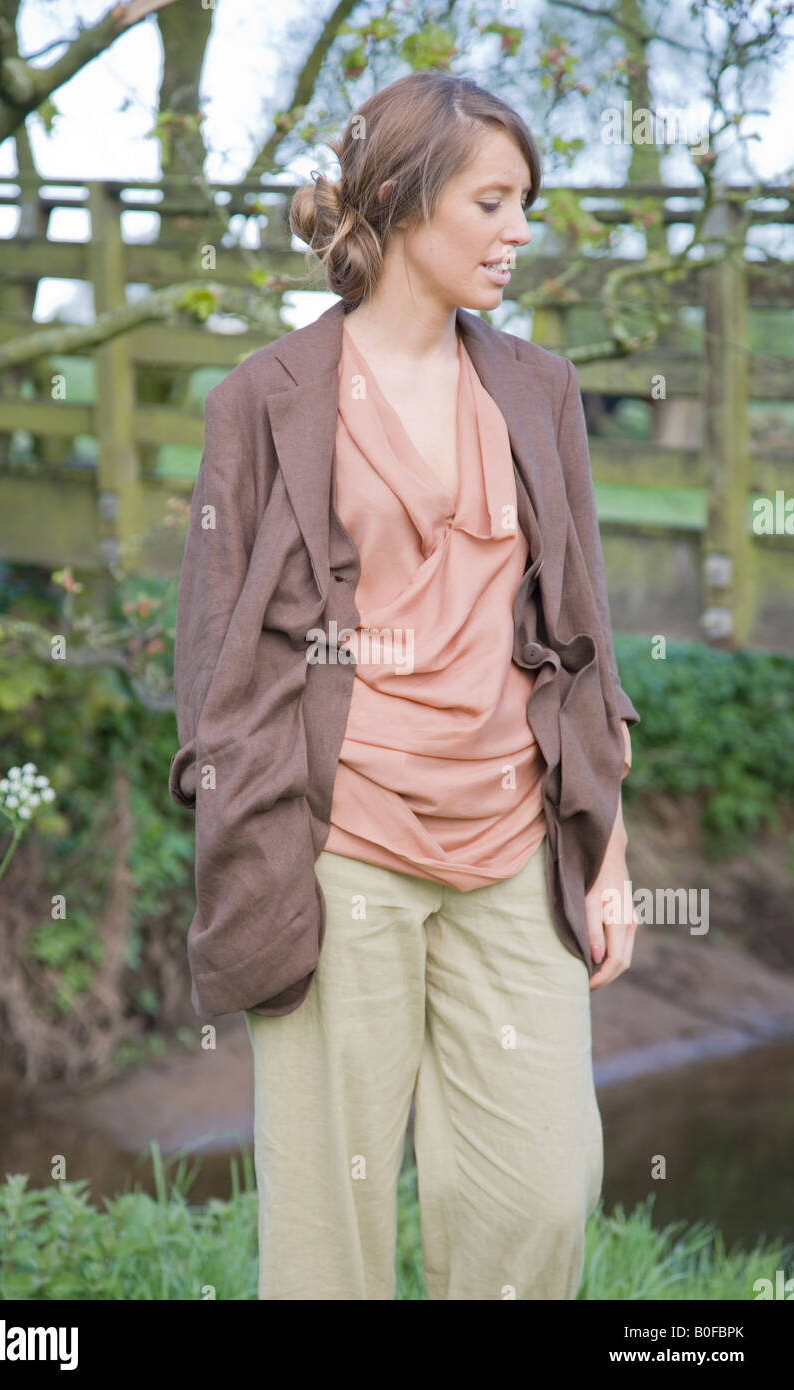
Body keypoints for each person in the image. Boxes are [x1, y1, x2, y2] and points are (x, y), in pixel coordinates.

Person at [170, 70, 640, 1301]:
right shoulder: (262, 401)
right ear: (402, 200)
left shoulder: (537, 389)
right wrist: (256, 831)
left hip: (513, 846)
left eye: (524, 202)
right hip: (343, 849)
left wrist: (612, 853)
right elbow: (215, 656)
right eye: (492, 202)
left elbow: (583, 633)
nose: (518, 232)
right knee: (333, 1234)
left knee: (541, 1196)